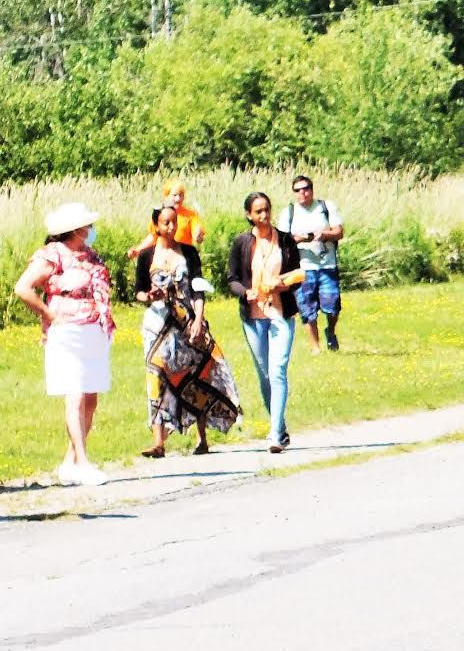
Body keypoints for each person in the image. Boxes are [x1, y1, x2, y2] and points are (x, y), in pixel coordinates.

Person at [14, 201, 116, 487]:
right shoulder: (52, 255)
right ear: (76, 229)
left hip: (93, 329)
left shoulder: (90, 255)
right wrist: (49, 314)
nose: (91, 229)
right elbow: (24, 287)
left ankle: (70, 461)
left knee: (90, 399)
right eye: (88, 225)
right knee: (75, 396)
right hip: (68, 330)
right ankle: (83, 464)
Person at [135, 205, 242, 458]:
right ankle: (159, 441)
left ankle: (201, 438)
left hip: (187, 321)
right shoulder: (146, 255)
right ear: (157, 225)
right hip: (157, 323)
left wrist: (198, 320)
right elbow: (138, 291)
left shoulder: (190, 253)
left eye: (174, 222)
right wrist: (150, 296)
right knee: (156, 374)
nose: (171, 227)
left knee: (196, 374)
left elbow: (198, 289)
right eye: (165, 223)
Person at [225, 191, 303, 453]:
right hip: (254, 316)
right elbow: (232, 278)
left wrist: (283, 284)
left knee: (278, 370)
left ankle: (274, 435)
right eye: (258, 211)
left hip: (281, 315)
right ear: (249, 214)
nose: (264, 215)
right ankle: (279, 426)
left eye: (266, 209)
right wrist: (245, 292)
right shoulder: (242, 243)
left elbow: (298, 274)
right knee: (265, 375)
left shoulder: (285, 240)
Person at [279, 175, 344, 354]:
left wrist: (324, 235)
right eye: (298, 190)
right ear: (294, 193)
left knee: (333, 306)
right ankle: (315, 347)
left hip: (327, 265)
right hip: (303, 267)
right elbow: (282, 240)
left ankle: (330, 331)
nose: (303, 192)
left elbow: (339, 232)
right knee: (307, 308)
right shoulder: (289, 213)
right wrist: (300, 239)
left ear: (312, 189)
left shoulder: (326, 206)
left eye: (306, 188)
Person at [128, 180, 208, 258]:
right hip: (163, 259)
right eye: (174, 195)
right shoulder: (160, 214)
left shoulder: (191, 215)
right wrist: (138, 250)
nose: (178, 199)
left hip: (182, 259)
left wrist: (198, 236)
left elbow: (197, 236)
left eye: (181, 195)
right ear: (166, 196)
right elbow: (153, 238)